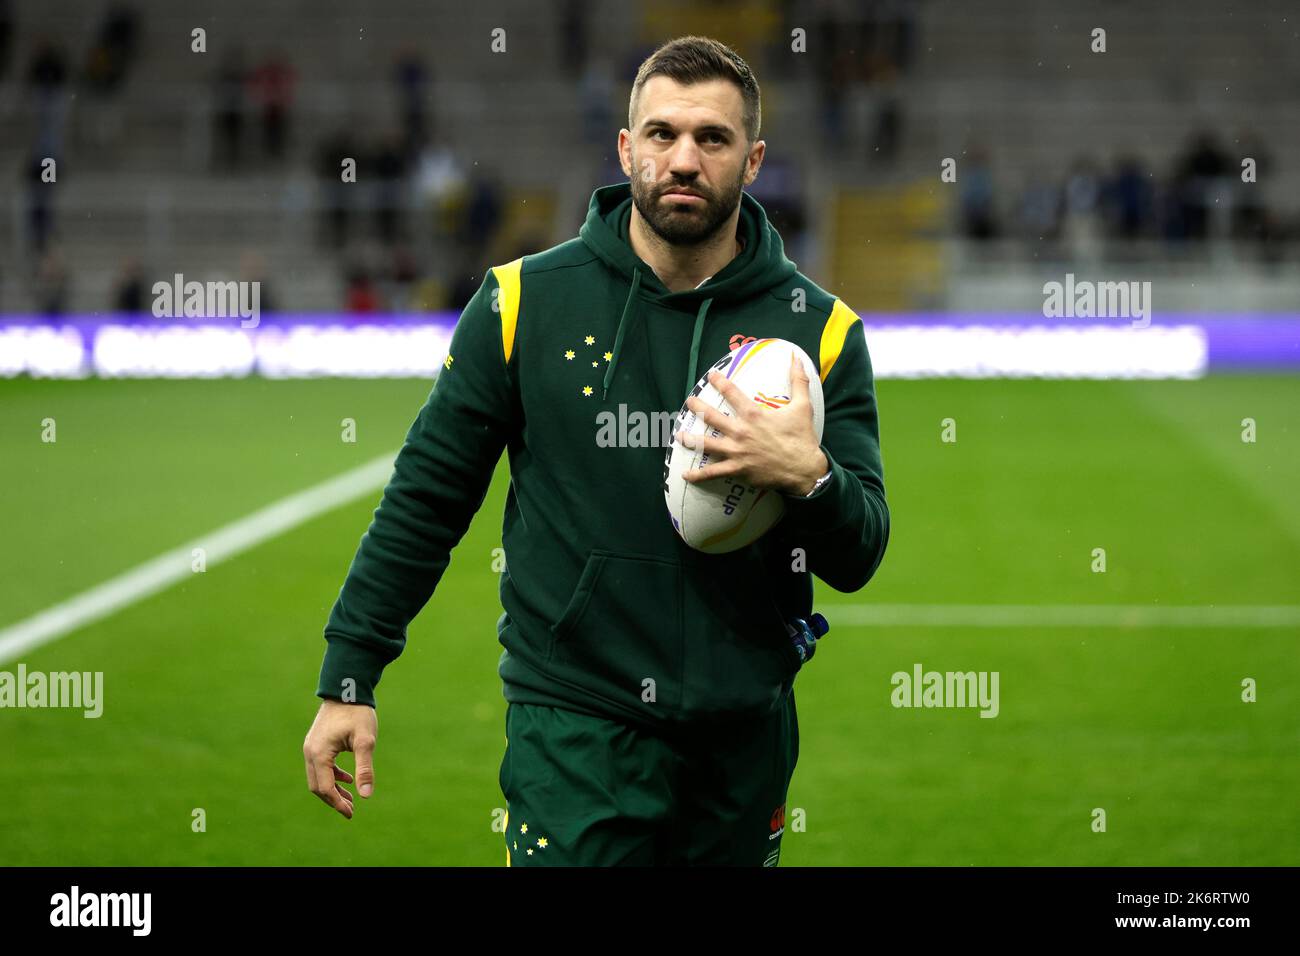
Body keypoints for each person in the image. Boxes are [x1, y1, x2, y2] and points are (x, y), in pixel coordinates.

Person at [302, 35, 889, 867]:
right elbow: (425, 500)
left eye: (712, 140)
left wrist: (808, 475)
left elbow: (861, 548)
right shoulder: (522, 303)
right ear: (626, 149)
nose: (683, 159)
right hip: (574, 730)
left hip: (743, 738)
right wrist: (349, 675)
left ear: (753, 160)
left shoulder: (819, 332)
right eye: (661, 135)